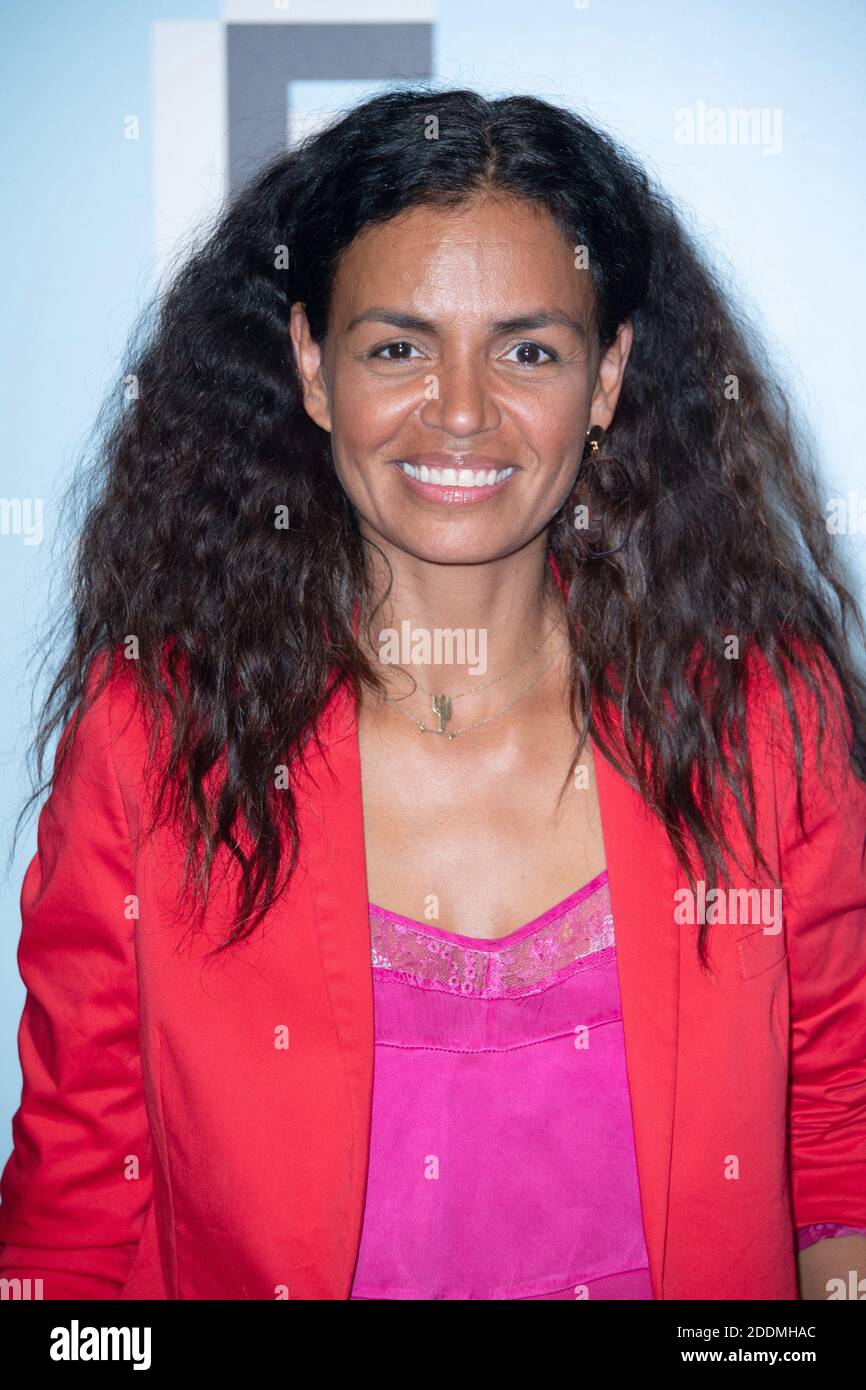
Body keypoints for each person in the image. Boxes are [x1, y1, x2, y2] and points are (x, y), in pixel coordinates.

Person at [1, 86, 864, 1302]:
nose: (459, 412)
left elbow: (837, 1160)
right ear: (310, 366)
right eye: (396, 346)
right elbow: (71, 1228)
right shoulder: (152, 738)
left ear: (607, 376)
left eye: (527, 349)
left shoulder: (762, 719)